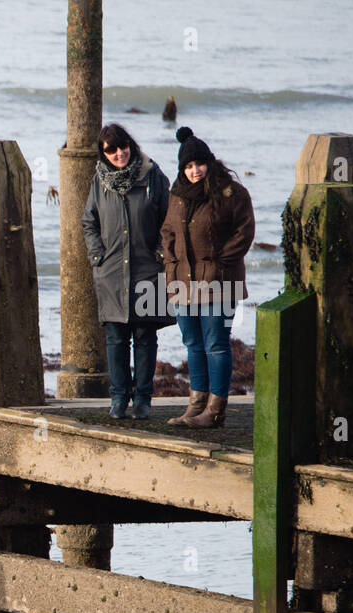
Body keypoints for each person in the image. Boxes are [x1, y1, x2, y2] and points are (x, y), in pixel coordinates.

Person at [159, 126, 255, 429]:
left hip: (219, 282)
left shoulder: (230, 193)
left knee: (215, 344)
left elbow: (245, 230)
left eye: (199, 164)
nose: (194, 171)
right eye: (188, 166)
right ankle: (195, 405)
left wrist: (222, 260)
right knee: (193, 344)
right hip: (183, 282)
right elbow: (167, 232)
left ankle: (215, 411)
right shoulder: (177, 195)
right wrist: (171, 260)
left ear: (209, 162)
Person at [81, 123, 173, 419]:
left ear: (130, 145)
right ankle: (119, 398)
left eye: (123, 147)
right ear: (104, 153)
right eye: (111, 150)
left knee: (146, 336)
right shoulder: (99, 180)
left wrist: (161, 252)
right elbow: (89, 221)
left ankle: (143, 400)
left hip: (148, 268)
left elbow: (170, 219)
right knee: (116, 338)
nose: (119, 153)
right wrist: (97, 254)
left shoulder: (152, 175)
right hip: (111, 271)